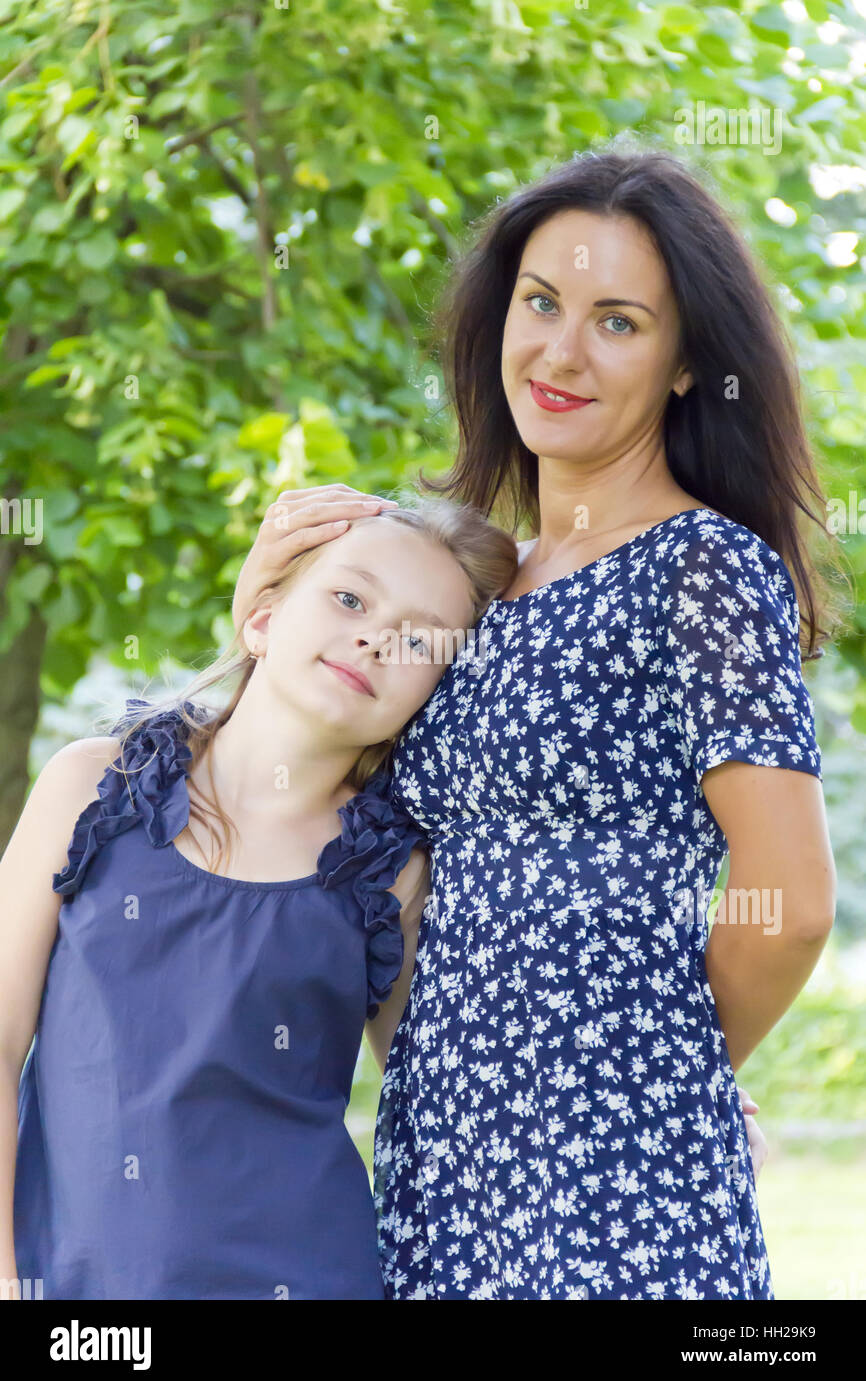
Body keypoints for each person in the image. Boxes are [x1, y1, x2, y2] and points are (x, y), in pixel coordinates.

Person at [231, 148, 841, 1300]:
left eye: (616, 321)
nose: (559, 353)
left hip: (611, 1189)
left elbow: (792, 902)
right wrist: (251, 613)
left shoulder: (700, 568)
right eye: (540, 303)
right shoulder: (469, 583)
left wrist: (664, 1065)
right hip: (438, 1166)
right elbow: (312, 795)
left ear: (681, 365)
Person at [1, 496, 517, 1299]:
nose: (376, 637)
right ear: (262, 619)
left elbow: (454, 1096)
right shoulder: (91, 786)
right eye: (349, 598)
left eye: (419, 640)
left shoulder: (396, 872)